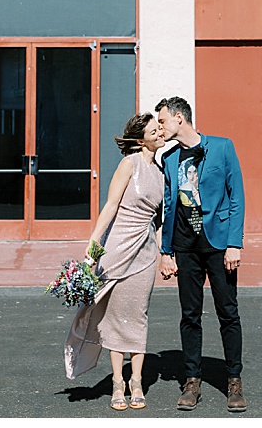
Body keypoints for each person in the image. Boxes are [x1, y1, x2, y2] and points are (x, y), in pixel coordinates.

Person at [64, 112, 166, 411]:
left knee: (138, 315)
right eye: (154, 130)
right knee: (115, 317)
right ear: (140, 139)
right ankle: (118, 383)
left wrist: (163, 255)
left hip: (145, 252)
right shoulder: (128, 164)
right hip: (118, 247)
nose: (160, 132)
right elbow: (110, 205)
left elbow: (158, 220)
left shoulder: (161, 173)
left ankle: (137, 381)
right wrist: (94, 243)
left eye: (160, 128)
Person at [155, 96, 247, 412]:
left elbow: (237, 197)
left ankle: (233, 380)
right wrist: (165, 251)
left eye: (163, 121)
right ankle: (191, 380)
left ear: (180, 118)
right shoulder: (168, 159)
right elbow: (169, 206)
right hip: (185, 247)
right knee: (189, 315)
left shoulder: (222, 147)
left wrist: (235, 243)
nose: (160, 127)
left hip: (219, 244)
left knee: (228, 312)